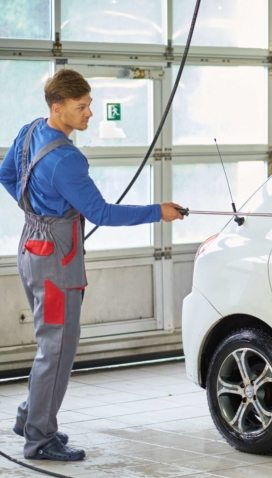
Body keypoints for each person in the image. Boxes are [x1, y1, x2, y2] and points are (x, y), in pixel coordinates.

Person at [0, 69, 184, 462]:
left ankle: (28, 417)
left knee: (50, 343)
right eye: (81, 107)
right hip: (55, 263)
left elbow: (6, 174)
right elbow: (101, 212)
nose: (90, 114)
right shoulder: (67, 160)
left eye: (89, 105)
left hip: (31, 249)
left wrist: (35, 205)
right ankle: (39, 438)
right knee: (58, 347)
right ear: (57, 107)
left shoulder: (30, 131)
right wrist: (159, 211)